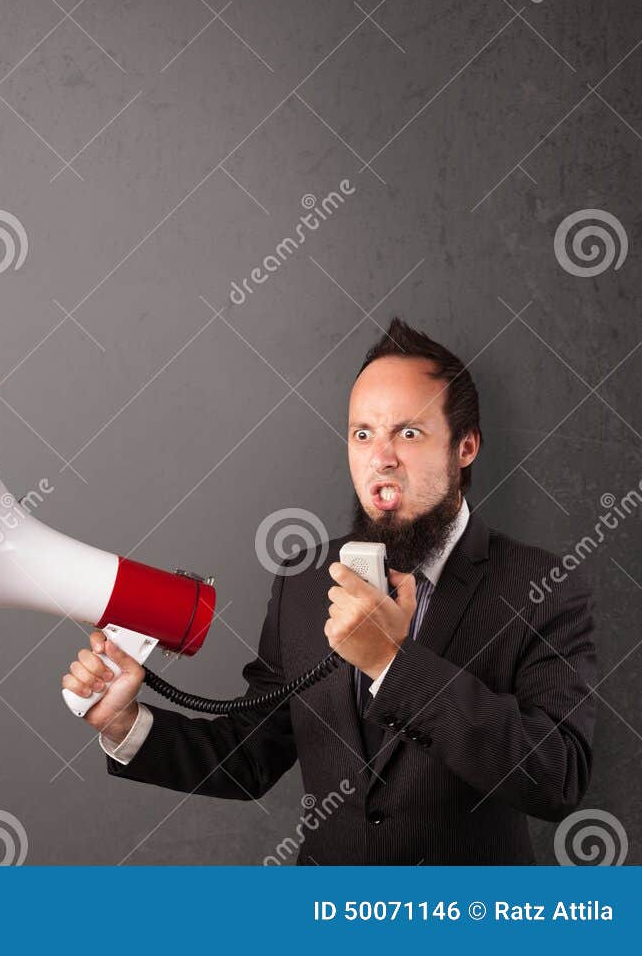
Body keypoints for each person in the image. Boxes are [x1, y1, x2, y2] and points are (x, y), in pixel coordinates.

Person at [63, 318, 597, 863]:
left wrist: (393, 663)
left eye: (408, 433)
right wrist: (126, 723)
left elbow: (557, 775)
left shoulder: (542, 587)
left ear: (465, 447)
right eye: (362, 433)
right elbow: (251, 757)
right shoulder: (304, 580)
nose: (380, 457)